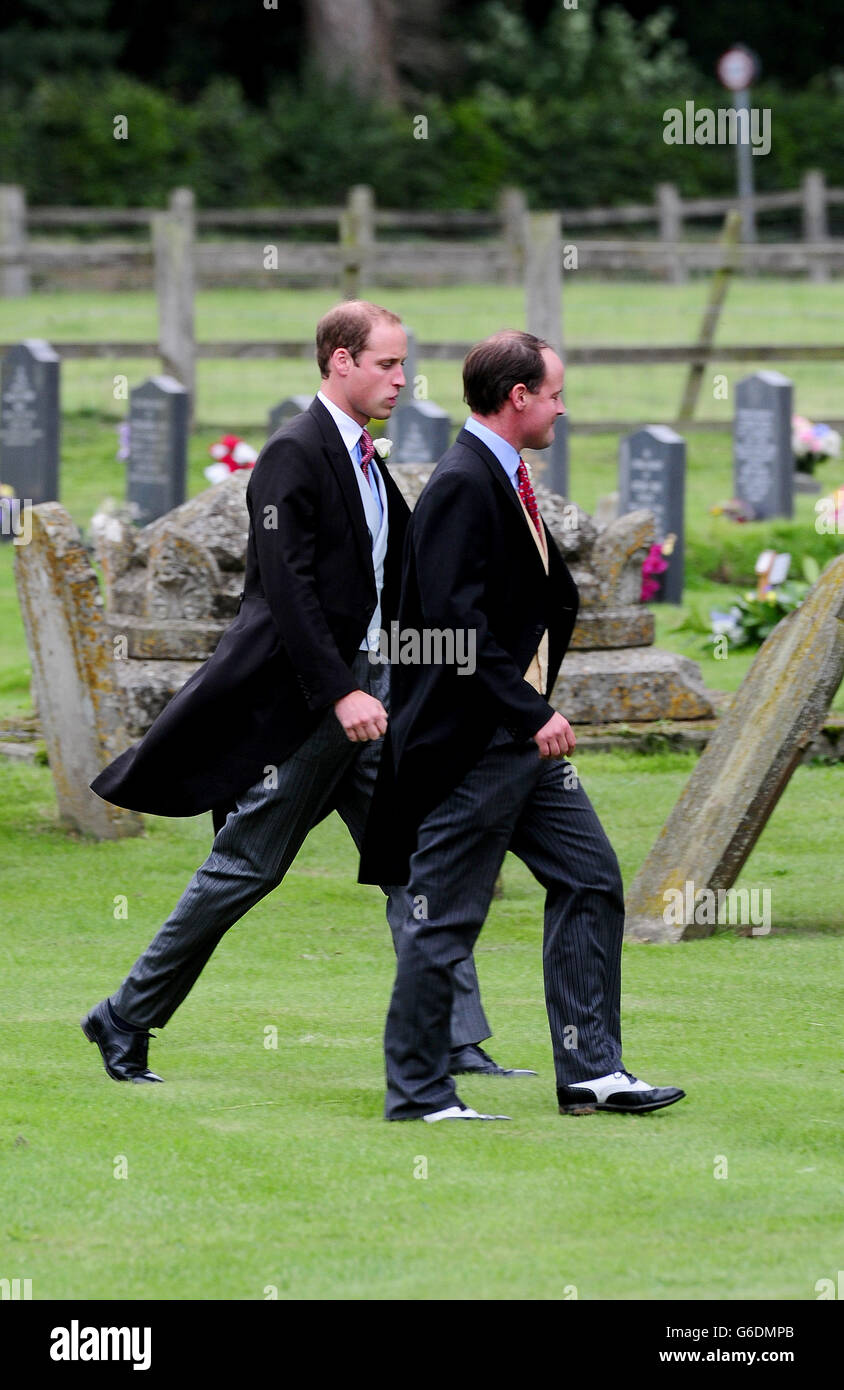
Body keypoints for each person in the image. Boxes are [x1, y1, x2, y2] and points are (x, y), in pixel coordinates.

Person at [82, 302, 524, 1084]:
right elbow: (286, 593)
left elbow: (390, 582)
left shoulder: (365, 458)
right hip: (310, 703)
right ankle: (123, 1016)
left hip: (374, 690)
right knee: (247, 866)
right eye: (387, 364)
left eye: (403, 363)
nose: (402, 378)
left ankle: (453, 1038)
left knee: (414, 861)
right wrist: (340, 693)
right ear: (340, 362)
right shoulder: (294, 452)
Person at [359, 330, 686, 1122]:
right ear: (518, 399)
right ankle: (418, 1094)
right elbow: (452, 623)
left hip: (520, 745)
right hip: (472, 744)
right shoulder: (465, 483)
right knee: (445, 910)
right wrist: (530, 708)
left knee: (589, 879)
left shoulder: (504, 475)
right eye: (555, 394)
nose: (562, 409)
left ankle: (591, 1072)